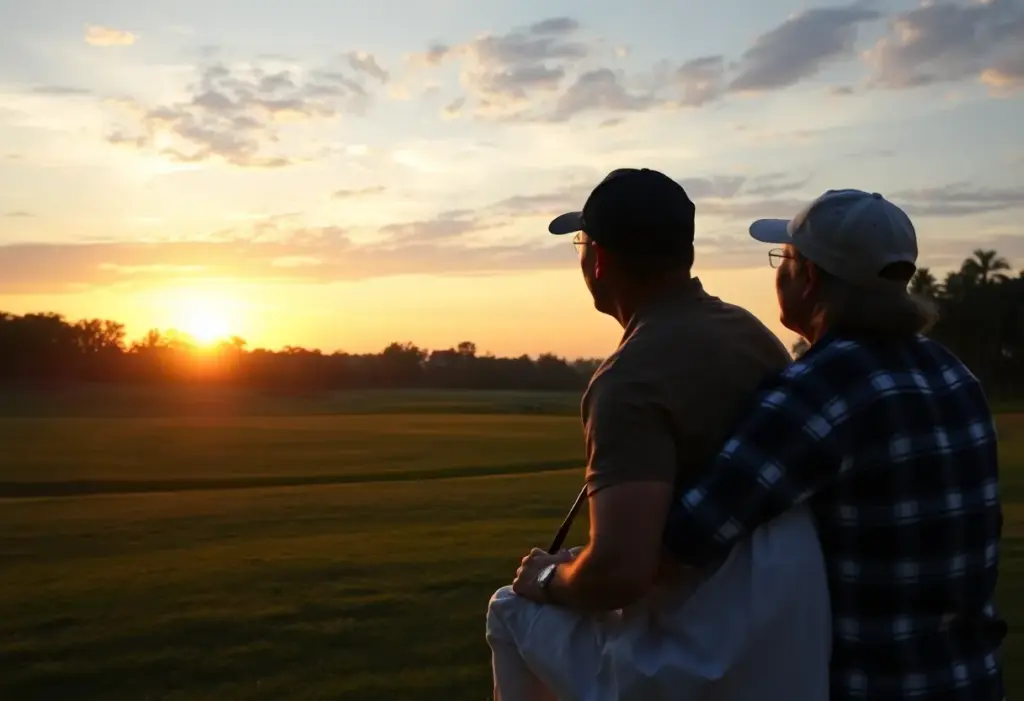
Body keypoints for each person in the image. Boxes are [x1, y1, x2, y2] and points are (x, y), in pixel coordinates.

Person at [484, 168, 832, 701]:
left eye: (582, 242)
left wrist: (547, 580)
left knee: (510, 611)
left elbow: (622, 573)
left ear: (598, 260)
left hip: (710, 658)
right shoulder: (747, 331)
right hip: (796, 639)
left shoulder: (627, 379)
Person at [663, 188, 1007, 700]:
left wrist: (558, 579)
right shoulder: (953, 374)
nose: (778, 270)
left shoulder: (819, 388)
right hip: (970, 680)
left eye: (785, 258)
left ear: (811, 278)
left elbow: (687, 537)